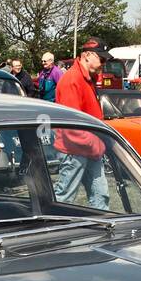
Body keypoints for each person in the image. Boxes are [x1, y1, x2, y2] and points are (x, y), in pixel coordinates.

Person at [52, 38, 110, 211]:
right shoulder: (72, 80)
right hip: (73, 151)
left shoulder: (86, 78)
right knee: (64, 198)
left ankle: (103, 232)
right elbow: (72, 127)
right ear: (88, 55)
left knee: (101, 195)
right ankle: (52, 231)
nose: (103, 64)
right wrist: (98, 145)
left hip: (88, 149)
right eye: (102, 59)